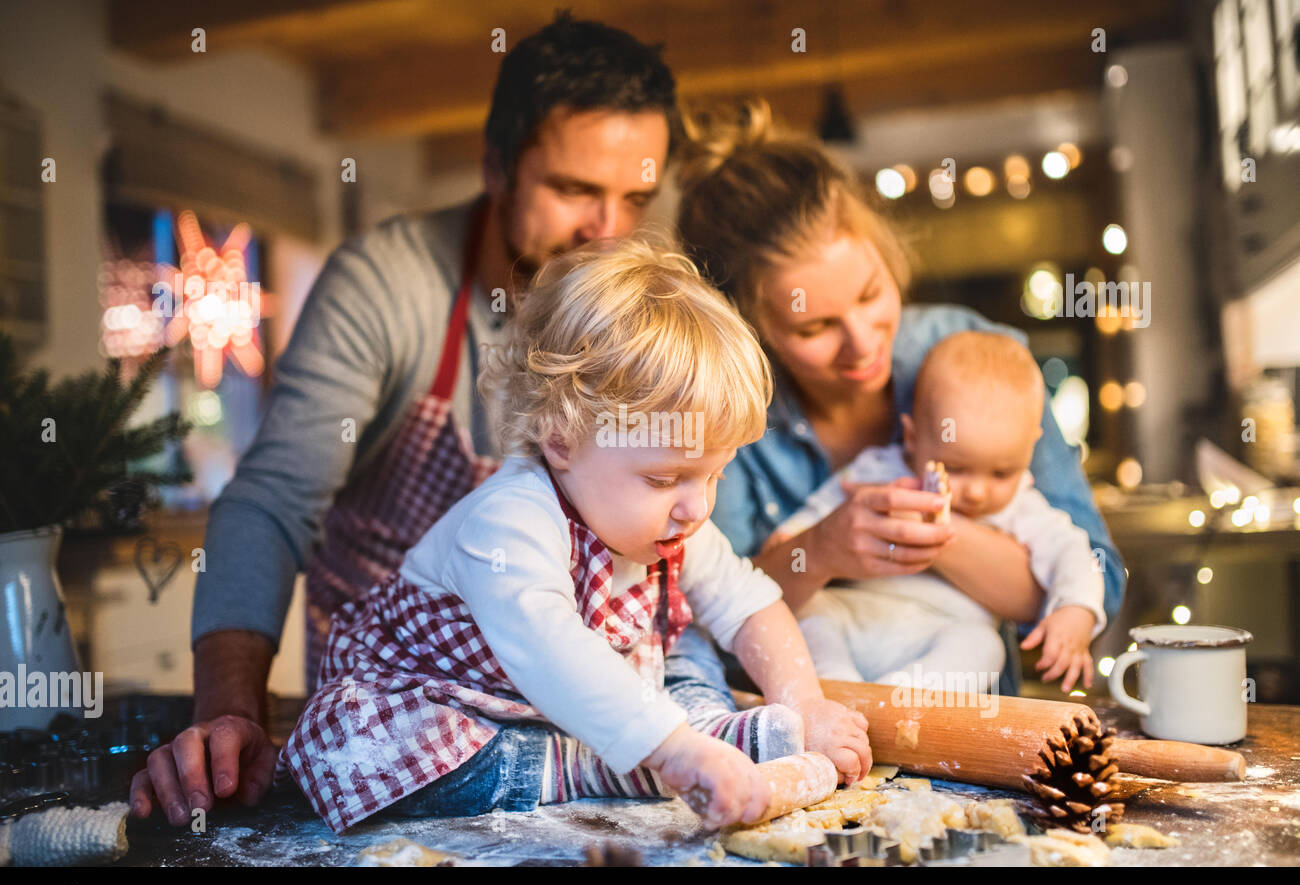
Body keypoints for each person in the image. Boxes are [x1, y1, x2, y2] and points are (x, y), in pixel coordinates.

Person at [131, 13, 686, 827]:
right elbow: (272, 502)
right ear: (496, 165)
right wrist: (228, 712)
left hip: (583, 734)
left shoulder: (630, 311)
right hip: (400, 744)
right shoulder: (385, 285)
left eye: (633, 198)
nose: (607, 231)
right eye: (574, 190)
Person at [280, 237, 873, 834]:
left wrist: (806, 705)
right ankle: (616, 764)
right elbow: (553, 651)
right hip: (434, 706)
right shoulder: (511, 519)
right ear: (560, 439)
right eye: (664, 477)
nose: (697, 506)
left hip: (570, 708)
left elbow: (749, 606)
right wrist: (672, 752)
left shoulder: (673, 516)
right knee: (367, 755)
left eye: (714, 473)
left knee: (688, 644)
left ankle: (702, 733)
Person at [673, 100, 1124, 690]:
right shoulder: (726, 405)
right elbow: (704, 615)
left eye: (869, 294)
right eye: (814, 327)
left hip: (962, 704)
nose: (862, 344)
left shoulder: (976, 354)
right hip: (813, 703)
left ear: (886, 257)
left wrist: (925, 531)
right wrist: (823, 549)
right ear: (748, 330)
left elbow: (1099, 580)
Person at [769, 331, 1106, 694]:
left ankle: (898, 698)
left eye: (1001, 472)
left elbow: (1073, 553)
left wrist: (1076, 609)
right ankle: (839, 686)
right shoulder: (874, 471)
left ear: (1030, 448)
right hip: (853, 612)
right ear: (912, 439)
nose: (977, 492)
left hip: (942, 633)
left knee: (985, 648)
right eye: (956, 469)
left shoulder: (1022, 505)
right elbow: (818, 519)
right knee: (808, 614)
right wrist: (793, 537)